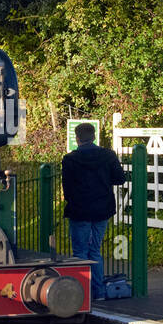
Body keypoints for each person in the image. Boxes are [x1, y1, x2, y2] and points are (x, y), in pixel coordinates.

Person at [61, 122, 125, 303]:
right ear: (94, 136)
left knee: (80, 251)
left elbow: (67, 188)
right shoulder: (108, 155)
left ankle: (83, 294)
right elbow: (120, 179)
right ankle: (99, 293)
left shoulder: (70, 159)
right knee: (95, 250)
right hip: (102, 209)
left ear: (77, 138)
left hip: (80, 210)